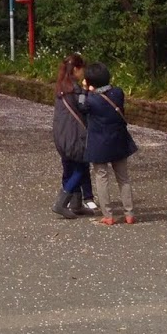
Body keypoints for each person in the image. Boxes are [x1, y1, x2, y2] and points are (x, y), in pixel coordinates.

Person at [79, 61, 139, 225]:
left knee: (102, 177)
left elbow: (81, 106)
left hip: (99, 144)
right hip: (119, 140)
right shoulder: (118, 93)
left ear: (91, 82)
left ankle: (108, 215)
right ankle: (129, 213)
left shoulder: (91, 100)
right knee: (123, 178)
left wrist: (84, 89)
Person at [51, 54, 98, 218]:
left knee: (69, 167)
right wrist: (87, 91)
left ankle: (77, 204)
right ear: (77, 69)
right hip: (74, 136)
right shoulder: (75, 90)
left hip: (61, 135)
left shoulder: (61, 88)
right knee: (81, 168)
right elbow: (84, 107)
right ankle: (61, 203)